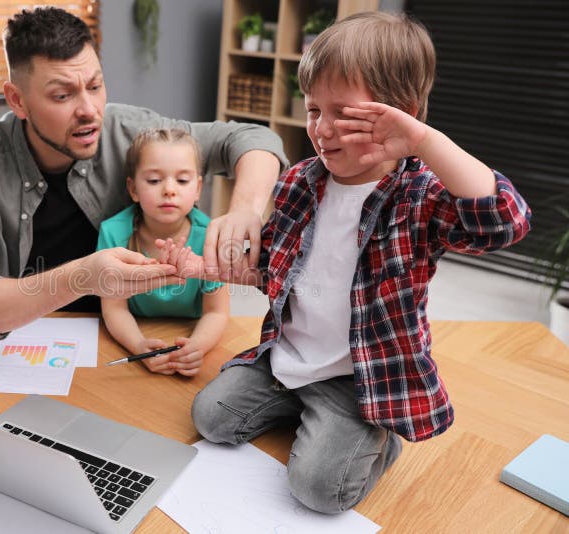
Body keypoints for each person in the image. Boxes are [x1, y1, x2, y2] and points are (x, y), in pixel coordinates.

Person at [156, 12, 531, 513]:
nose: (322, 129)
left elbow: (504, 222)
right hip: (285, 359)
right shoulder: (300, 182)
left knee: (319, 492)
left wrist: (424, 140)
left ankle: (378, 434)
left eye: (345, 115)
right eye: (313, 109)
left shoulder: (417, 196)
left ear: (404, 114)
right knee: (211, 418)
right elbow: (271, 267)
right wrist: (202, 268)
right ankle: (304, 411)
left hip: (358, 378)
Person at [0, 7, 287, 342]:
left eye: (96, 86)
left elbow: (252, 139)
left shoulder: (133, 131)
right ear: (17, 100)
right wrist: (83, 277)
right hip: (28, 335)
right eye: (62, 95)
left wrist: (246, 209)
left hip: (122, 332)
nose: (89, 110)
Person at [98, 128, 230, 376]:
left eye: (182, 180)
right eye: (154, 180)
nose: (169, 190)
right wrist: (138, 346)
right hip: (137, 330)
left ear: (198, 188)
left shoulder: (213, 237)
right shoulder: (113, 233)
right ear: (133, 188)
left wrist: (196, 348)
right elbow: (114, 308)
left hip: (192, 329)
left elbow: (217, 311)